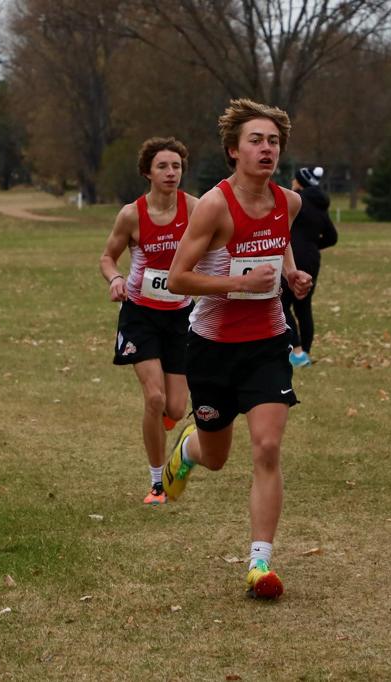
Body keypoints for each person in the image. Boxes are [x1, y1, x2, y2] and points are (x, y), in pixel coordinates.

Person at [163, 99, 313, 600]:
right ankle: (188, 448)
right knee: (216, 456)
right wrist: (239, 283)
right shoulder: (214, 205)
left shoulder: (288, 202)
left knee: (267, 447)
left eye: (273, 141)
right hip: (211, 347)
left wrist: (291, 274)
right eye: (256, 140)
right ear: (234, 150)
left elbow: (280, 244)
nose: (267, 148)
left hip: (269, 343)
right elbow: (178, 277)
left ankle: (260, 562)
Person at [99, 137, 198, 505]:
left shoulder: (196, 209)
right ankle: (158, 483)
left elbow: (218, 246)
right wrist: (116, 279)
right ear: (147, 172)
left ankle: (174, 436)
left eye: (176, 166)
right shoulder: (131, 215)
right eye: (163, 166)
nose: (171, 173)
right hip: (140, 315)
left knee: (175, 408)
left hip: (180, 317)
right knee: (154, 399)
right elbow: (107, 257)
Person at [281, 165, 338, 367]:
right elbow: (332, 237)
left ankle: (295, 352)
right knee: (303, 306)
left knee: (281, 304)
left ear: (299, 182)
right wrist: (313, 245)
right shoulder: (320, 205)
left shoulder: (295, 202)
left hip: (291, 258)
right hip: (312, 259)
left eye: (295, 180)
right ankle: (304, 352)